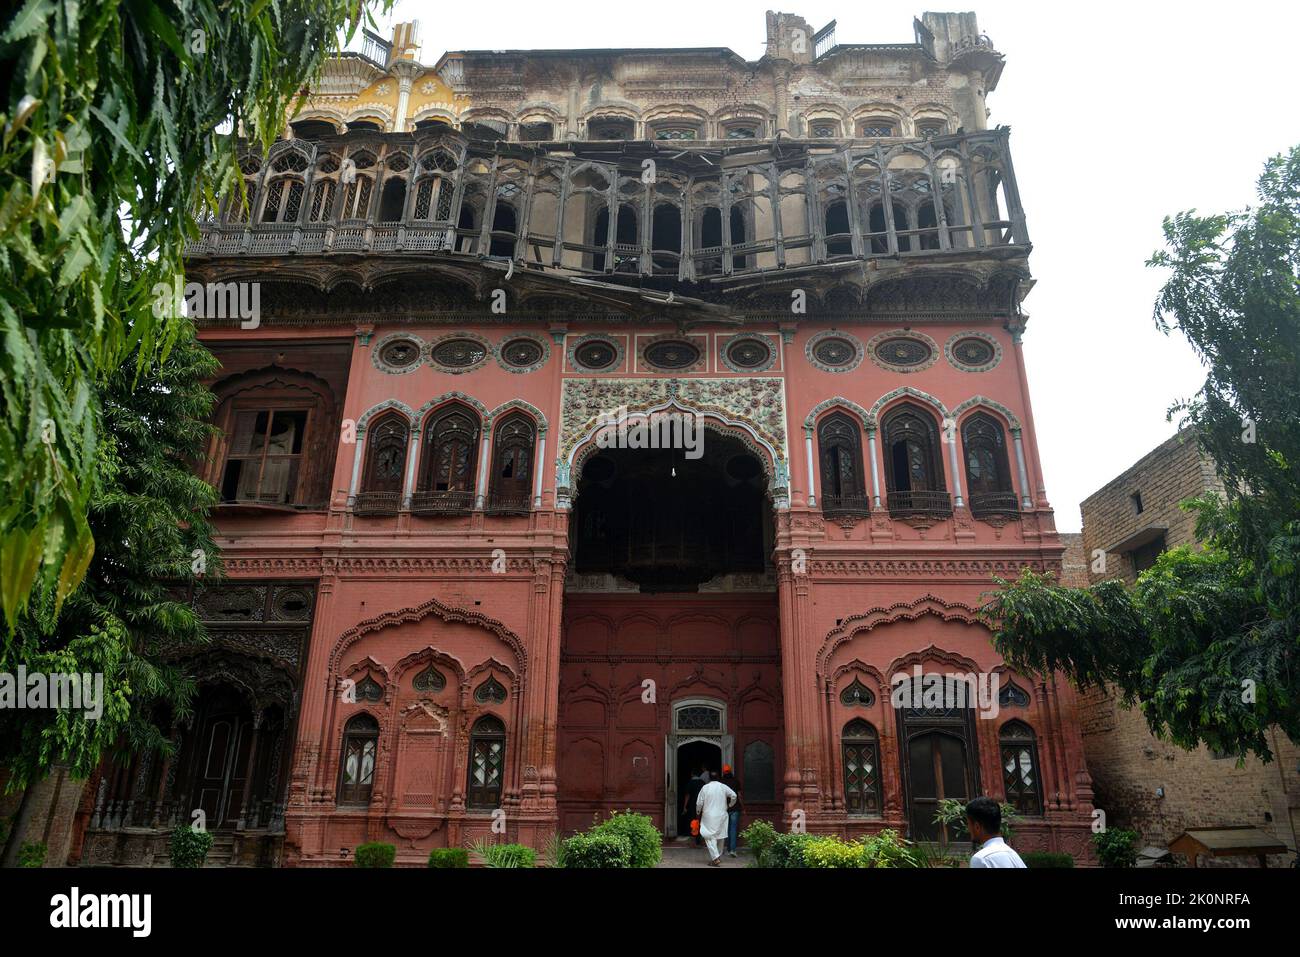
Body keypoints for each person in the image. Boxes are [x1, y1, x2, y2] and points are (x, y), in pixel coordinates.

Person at [965, 797, 1026, 868]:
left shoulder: (981, 859)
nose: (968, 829)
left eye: (968, 824)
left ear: (977, 826)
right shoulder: (1013, 855)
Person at [696, 775, 737, 866]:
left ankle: (715, 858)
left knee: (708, 835)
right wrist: (730, 805)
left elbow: (699, 803)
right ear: (718, 778)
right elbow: (734, 795)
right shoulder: (723, 786)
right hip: (722, 815)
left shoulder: (705, 788)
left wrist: (698, 812)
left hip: (709, 816)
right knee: (720, 836)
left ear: (709, 779)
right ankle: (717, 857)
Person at [719, 765, 743, 857]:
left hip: (724, 808)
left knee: (724, 829)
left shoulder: (721, 782)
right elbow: (739, 795)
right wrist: (743, 807)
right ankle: (732, 850)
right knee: (733, 829)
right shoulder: (736, 781)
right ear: (730, 771)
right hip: (735, 808)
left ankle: (724, 849)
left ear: (723, 772)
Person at [683, 767, 707, 845]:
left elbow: (687, 795)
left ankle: (694, 839)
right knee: (701, 821)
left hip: (692, 805)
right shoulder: (703, 783)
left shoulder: (690, 783)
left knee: (693, 821)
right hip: (702, 804)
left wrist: (685, 806)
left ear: (692, 774)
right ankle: (699, 838)